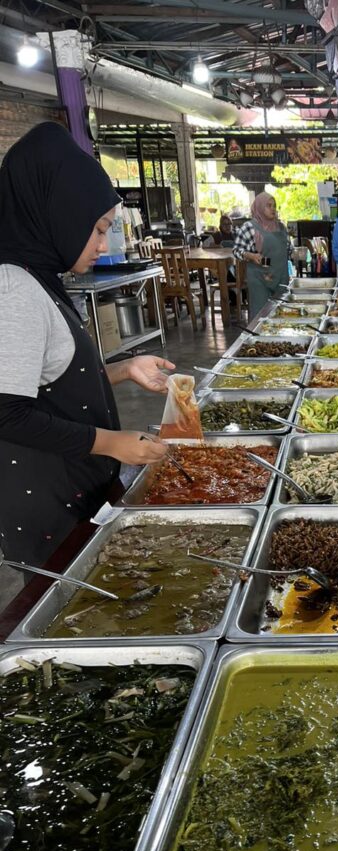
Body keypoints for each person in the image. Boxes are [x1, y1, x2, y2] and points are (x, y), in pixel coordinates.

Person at [0, 122, 172, 570]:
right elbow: (6, 412)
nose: (102, 245)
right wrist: (113, 442)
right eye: (97, 230)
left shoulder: (40, 275)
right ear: (57, 215)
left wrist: (123, 368)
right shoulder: (14, 288)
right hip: (49, 510)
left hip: (74, 490)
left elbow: (47, 379)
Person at [233, 192, 290, 316]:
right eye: (268, 205)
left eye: (274, 206)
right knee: (260, 318)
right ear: (259, 207)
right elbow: (237, 251)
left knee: (282, 316)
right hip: (260, 280)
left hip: (281, 278)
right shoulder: (250, 227)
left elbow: (285, 250)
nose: (273, 209)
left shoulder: (281, 227)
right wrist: (251, 256)